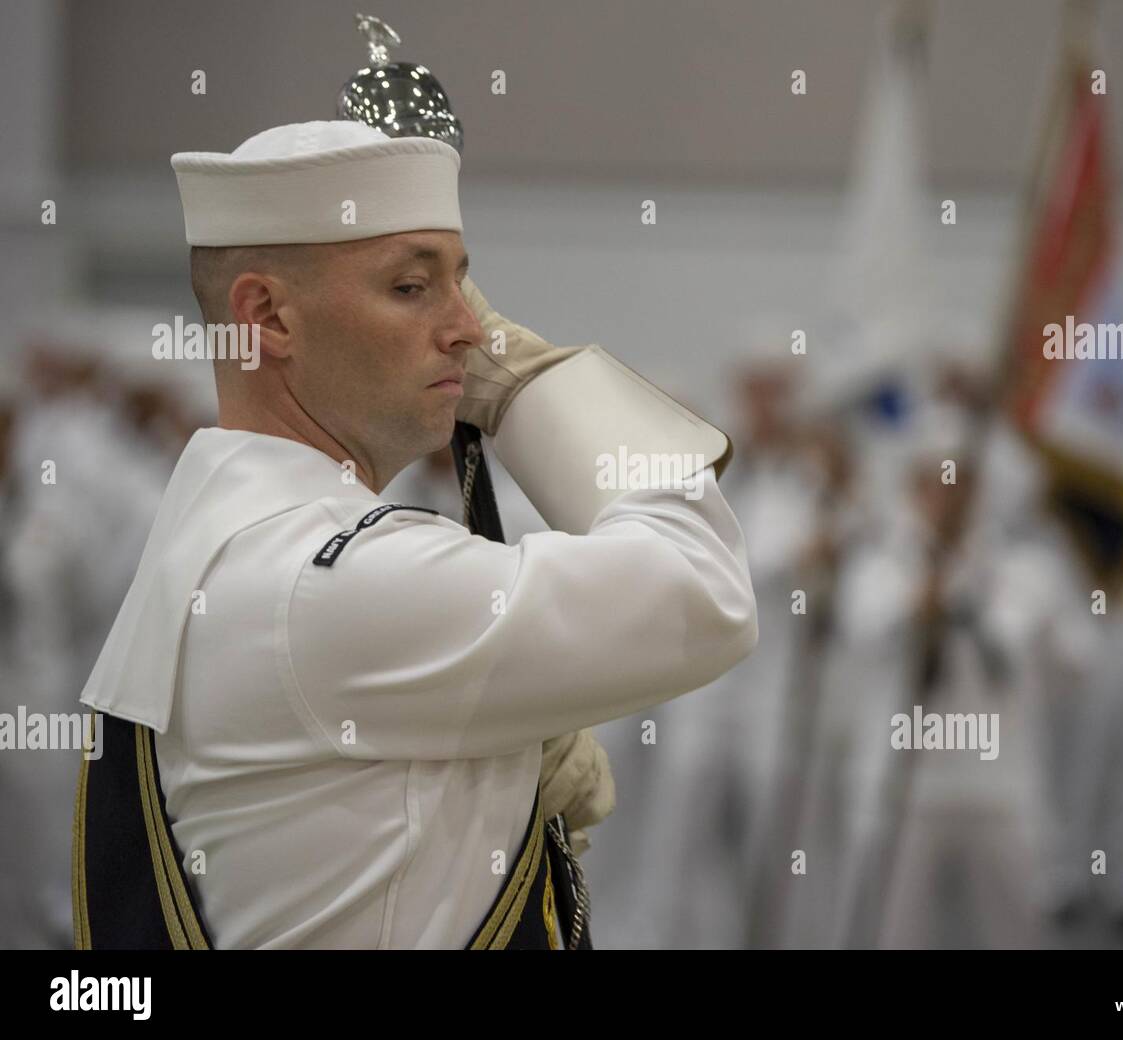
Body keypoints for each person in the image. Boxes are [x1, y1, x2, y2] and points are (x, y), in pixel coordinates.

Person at [73, 120, 758, 950]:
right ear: (267, 318)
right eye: (411, 287)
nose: (469, 328)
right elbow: (704, 586)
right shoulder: (328, 578)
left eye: (460, 285)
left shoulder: (218, 536)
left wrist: (493, 758)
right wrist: (527, 391)